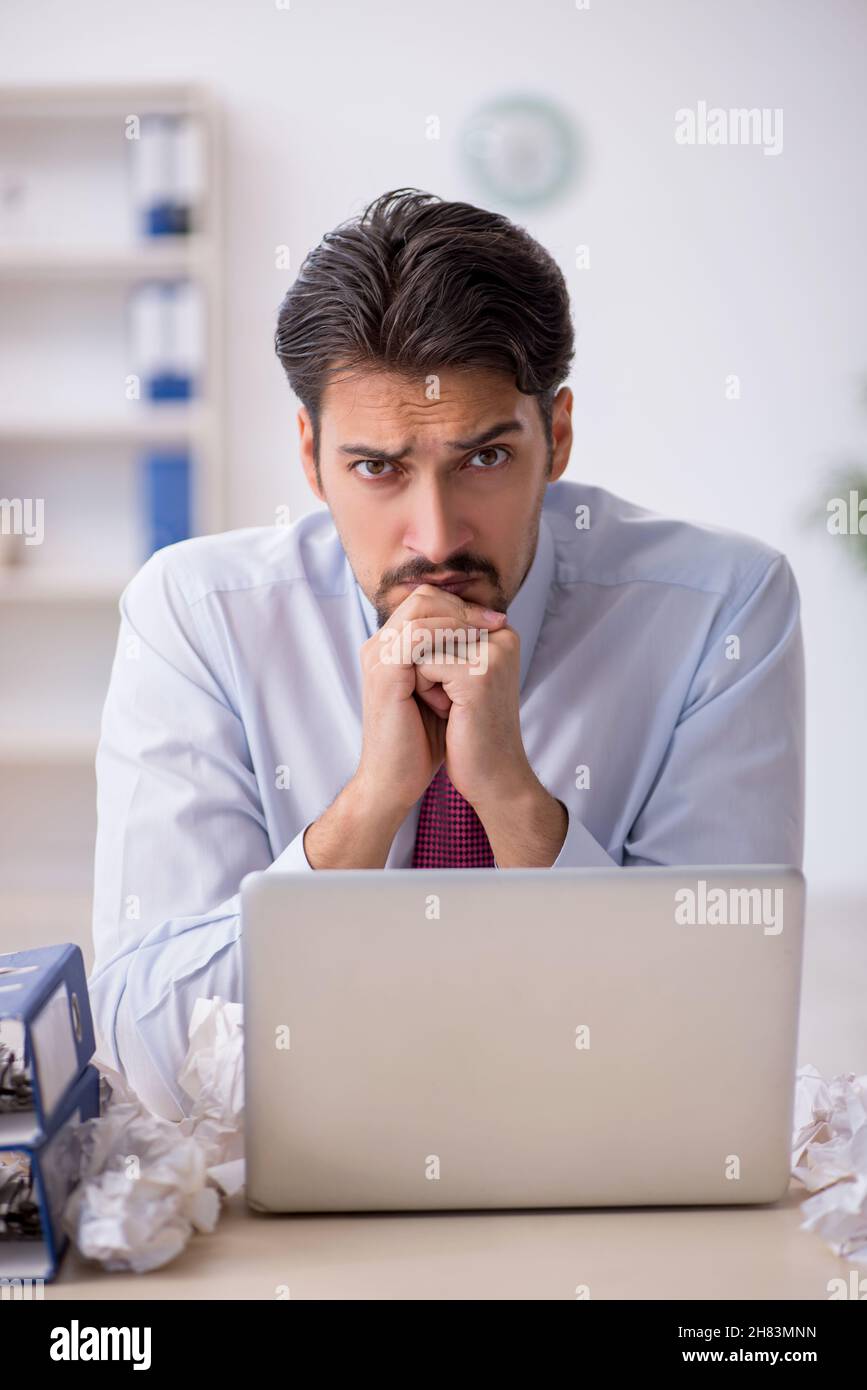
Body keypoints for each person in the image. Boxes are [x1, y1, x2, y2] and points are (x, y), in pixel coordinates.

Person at [89, 188, 804, 1119]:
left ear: (557, 437)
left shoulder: (721, 608)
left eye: (484, 460)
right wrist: (364, 813)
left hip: (599, 1157)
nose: (434, 535)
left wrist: (512, 804)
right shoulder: (196, 616)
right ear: (311, 458)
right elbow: (144, 1050)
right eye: (377, 468)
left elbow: (725, 1024)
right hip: (297, 1199)